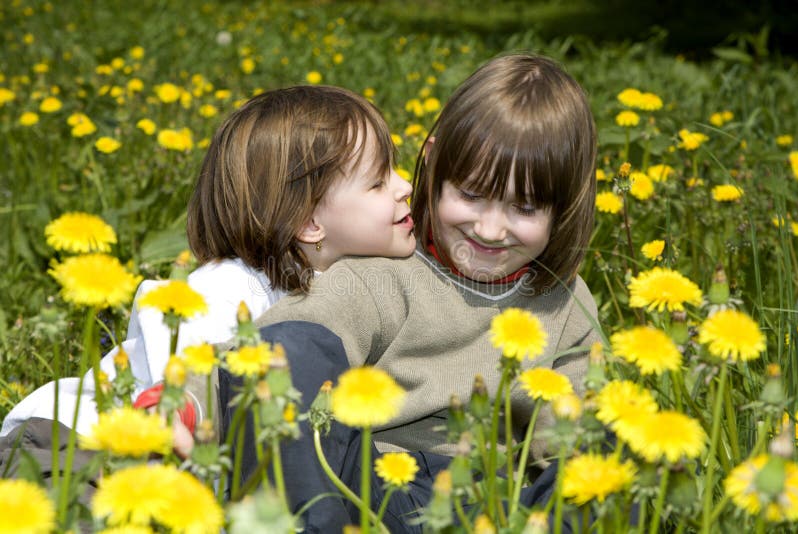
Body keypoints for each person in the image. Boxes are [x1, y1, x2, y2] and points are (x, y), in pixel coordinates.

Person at [219, 53, 600, 532]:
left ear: (563, 210)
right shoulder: (383, 271)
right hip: (381, 492)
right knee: (288, 357)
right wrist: (188, 404)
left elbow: (568, 444)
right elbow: (277, 346)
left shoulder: (568, 302)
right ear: (435, 164)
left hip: (502, 501)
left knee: (615, 453)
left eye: (523, 207)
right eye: (472, 194)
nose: (489, 228)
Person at [0, 85, 416, 447]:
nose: (406, 186)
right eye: (378, 181)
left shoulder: (355, 285)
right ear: (309, 223)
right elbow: (182, 376)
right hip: (73, 439)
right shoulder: (228, 288)